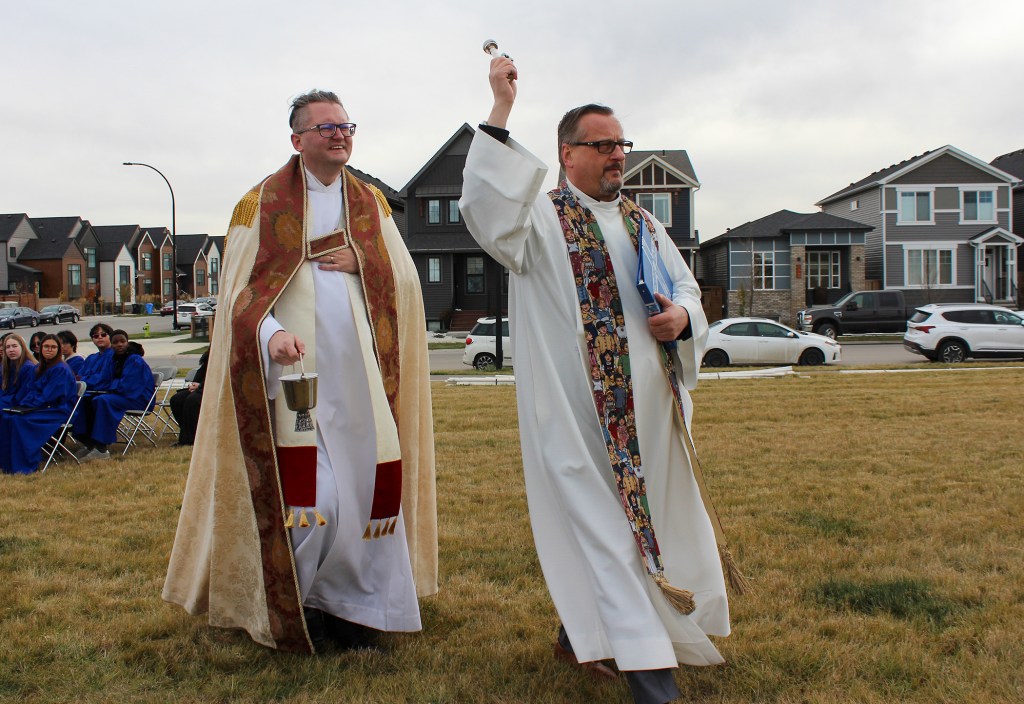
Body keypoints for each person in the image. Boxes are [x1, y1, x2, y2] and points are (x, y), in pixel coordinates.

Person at [459, 57, 742, 704]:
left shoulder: (644, 224)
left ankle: (577, 631)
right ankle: (650, 673)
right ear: (568, 154)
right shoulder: (541, 223)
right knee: (608, 531)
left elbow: (688, 290)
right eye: (604, 144)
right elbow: (484, 202)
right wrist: (500, 108)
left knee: (643, 528)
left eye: (622, 144)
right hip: (581, 414)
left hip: (652, 414)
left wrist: (683, 317)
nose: (619, 155)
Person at [163, 89, 438, 655]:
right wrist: (271, 335)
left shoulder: (373, 206)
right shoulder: (260, 204)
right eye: (325, 127)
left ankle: (358, 610)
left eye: (345, 125)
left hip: (361, 385)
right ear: (297, 140)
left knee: (368, 497)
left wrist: (362, 262)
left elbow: (407, 286)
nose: (340, 134)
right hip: (294, 388)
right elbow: (237, 296)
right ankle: (300, 604)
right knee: (312, 504)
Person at [72, 328, 154, 461]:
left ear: (127, 342)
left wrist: (109, 388)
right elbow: (105, 380)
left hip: (138, 399)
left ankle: (101, 448)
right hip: (121, 395)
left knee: (103, 401)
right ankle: (89, 442)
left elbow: (129, 386)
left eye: (122, 341)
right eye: (115, 342)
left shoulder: (134, 360)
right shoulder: (115, 359)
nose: (119, 344)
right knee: (86, 400)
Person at [0, 334, 77, 474]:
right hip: (40, 407)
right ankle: (7, 464)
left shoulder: (60, 368)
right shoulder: (41, 367)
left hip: (57, 410)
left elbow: (49, 396)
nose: (49, 350)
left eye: (53, 347)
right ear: (40, 349)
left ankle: (24, 465)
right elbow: (31, 390)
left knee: (19, 421)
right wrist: (25, 404)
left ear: (58, 349)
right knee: (7, 417)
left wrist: (26, 404)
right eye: (46, 346)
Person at [169, 349, 208, 446]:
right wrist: (194, 385)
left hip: (213, 389)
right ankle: (187, 433)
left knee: (192, 400)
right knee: (176, 399)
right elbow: (201, 372)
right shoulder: (209, 355)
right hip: (201, 387)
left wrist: (200, 386)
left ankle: (189, 439)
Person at [1, 333, 36, 409]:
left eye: (14, 346)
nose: (11, 350)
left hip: (17, 404)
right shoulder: (5, 367)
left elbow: (22, 395)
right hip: (5, 400)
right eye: (7, 347)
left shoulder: (29, 368)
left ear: (22, 348)